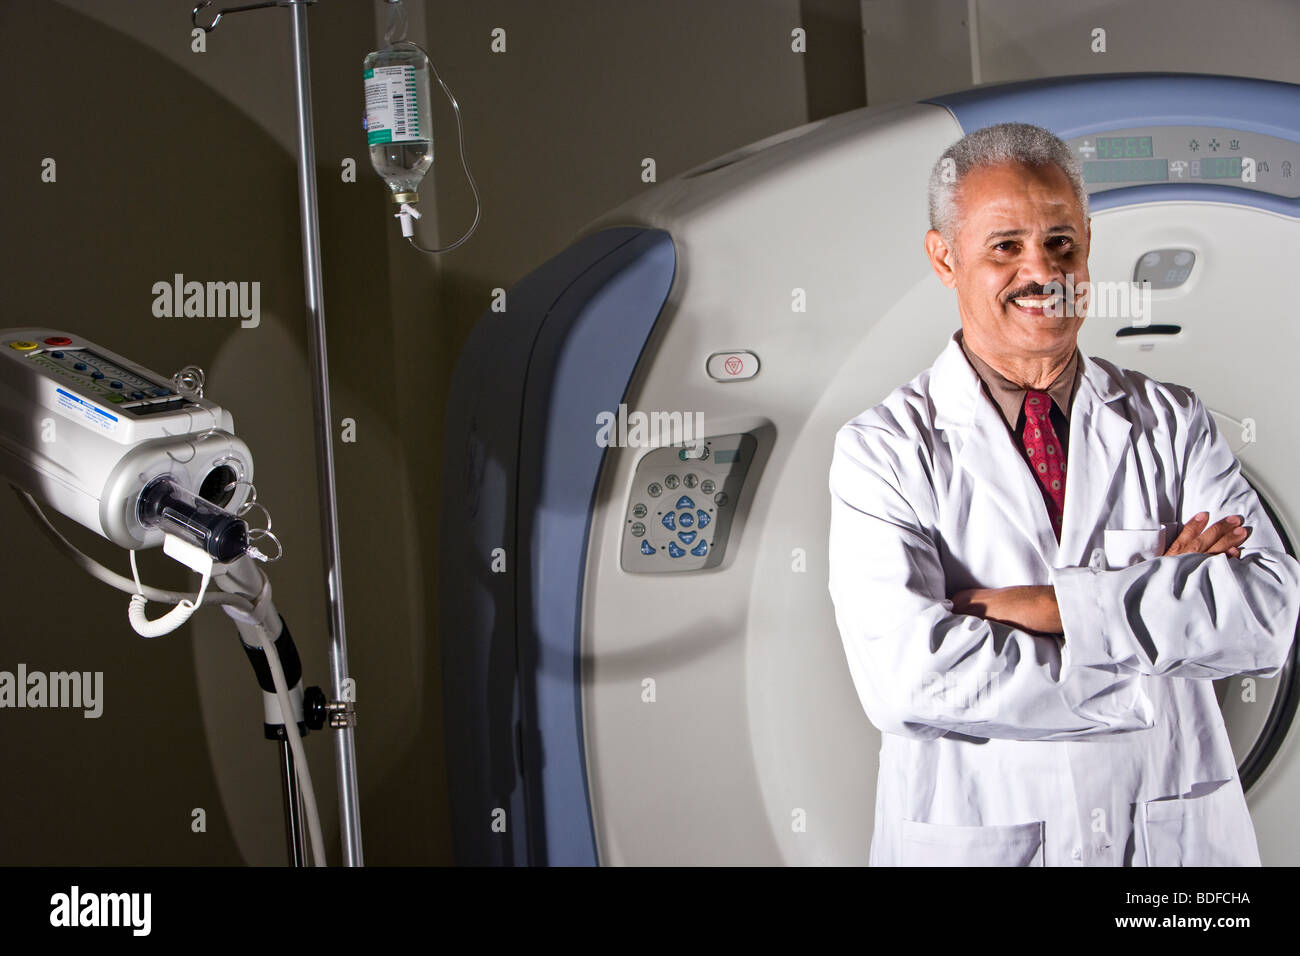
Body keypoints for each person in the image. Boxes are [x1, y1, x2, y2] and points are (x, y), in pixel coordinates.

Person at [827, 122, 1300, 866]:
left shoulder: (1171, 420)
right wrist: (1152, 639)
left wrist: (1052, 607)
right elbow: (909, 679)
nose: (1041, 270)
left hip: (1175, 855)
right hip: (983, 835)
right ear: (945, 257)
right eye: (1005, 246)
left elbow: (1268, 617)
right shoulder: (884, 449)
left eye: (1061, 243)